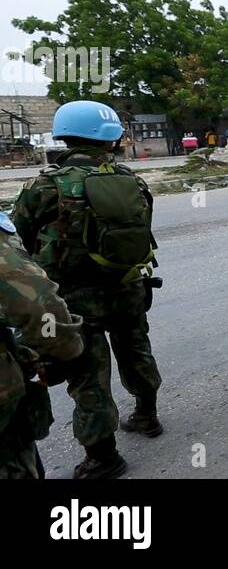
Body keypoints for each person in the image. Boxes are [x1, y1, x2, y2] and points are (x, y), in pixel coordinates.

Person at [13, 100, 165, 479]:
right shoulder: (132, 180)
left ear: (64, 135)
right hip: (129, 287)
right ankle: (147, 414)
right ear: (112, 139)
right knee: (136, 350)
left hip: (77, 299)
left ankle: (103, 456)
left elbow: (19, 241)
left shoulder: (44, 185)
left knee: (89, 374)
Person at [0, 213, 85, 478]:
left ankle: (103, 449)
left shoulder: (41, 187)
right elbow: (36, 300)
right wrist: (61, 352)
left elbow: (26, 221)